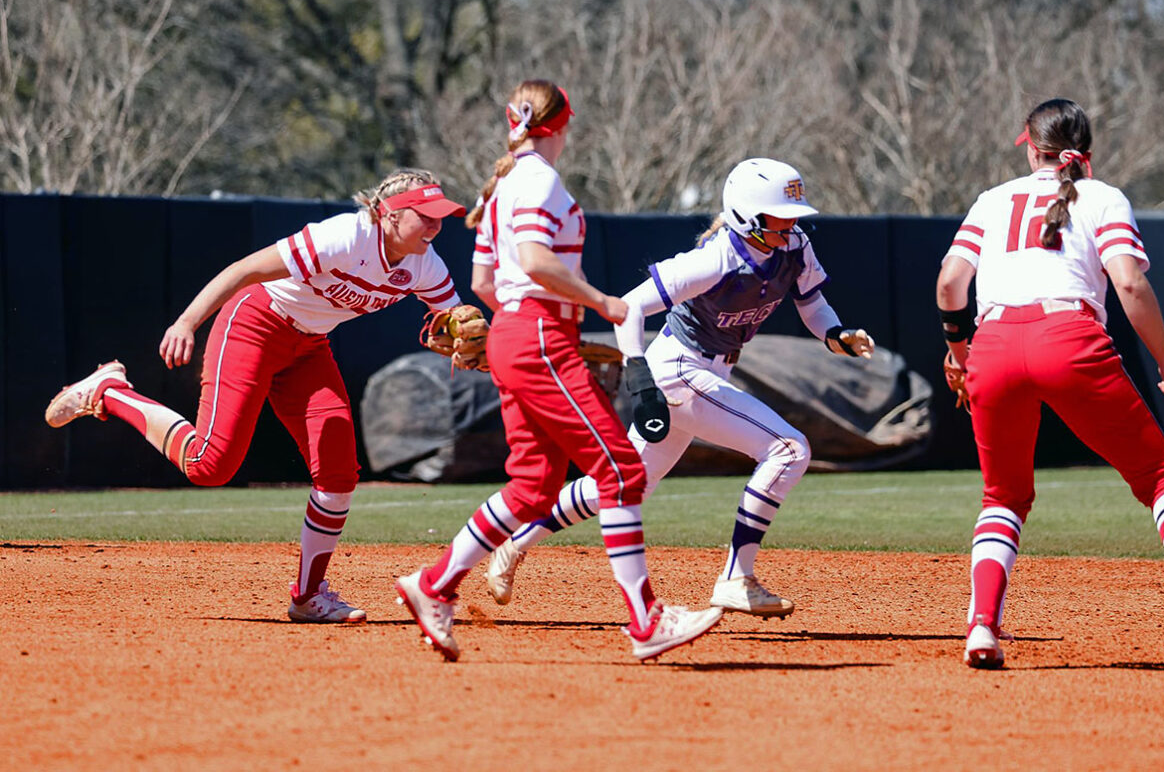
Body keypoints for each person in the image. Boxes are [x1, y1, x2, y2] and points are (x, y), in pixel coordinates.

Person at [45, 169, 469, 624]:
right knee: (210, 466)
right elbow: (242, 270)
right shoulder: (345, 237)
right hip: (255, 325)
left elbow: (455, 320)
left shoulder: (425, 264)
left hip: (309, 348)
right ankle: (110, 392)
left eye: (440, 217)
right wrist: (186, 323)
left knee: (339, 473)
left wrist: (466, 339)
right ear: (387, 214)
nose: (435, 226)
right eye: (425, 216)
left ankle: (308, 596)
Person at [393, 79, 724, 662]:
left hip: (517, 333)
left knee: (534, 487)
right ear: (563, 124)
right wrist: (602, 303)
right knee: (621, 470)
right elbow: (536, 260)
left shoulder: (500, 187)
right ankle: (647, 623)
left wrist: (518, 329)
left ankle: (434, 584)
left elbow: (483, 285)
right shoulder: (541, 181)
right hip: (542, 335)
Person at [482, 158, 877, 618]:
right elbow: (629, 307)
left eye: (793, 215)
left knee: (630, 484)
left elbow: (813, 304)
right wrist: (639, 376)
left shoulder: (794, 247)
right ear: (746, 215)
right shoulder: (717, 258)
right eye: (778, 216)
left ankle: (515, 543)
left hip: (709, 371)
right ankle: (736, 576)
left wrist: (836, 334)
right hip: (678, 368)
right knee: (789, 449)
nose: (789, 225)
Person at [936, 98, 1164, 669]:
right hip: (1069, 338)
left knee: (1003, 497)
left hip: (994, 344)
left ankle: (982, 628)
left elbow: (951, 283)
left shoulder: (991, 199)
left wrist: (960, 353)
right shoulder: (1102, 196)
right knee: (1161, 478)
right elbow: (1129, 284)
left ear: (1030, 146)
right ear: (1087, 151)